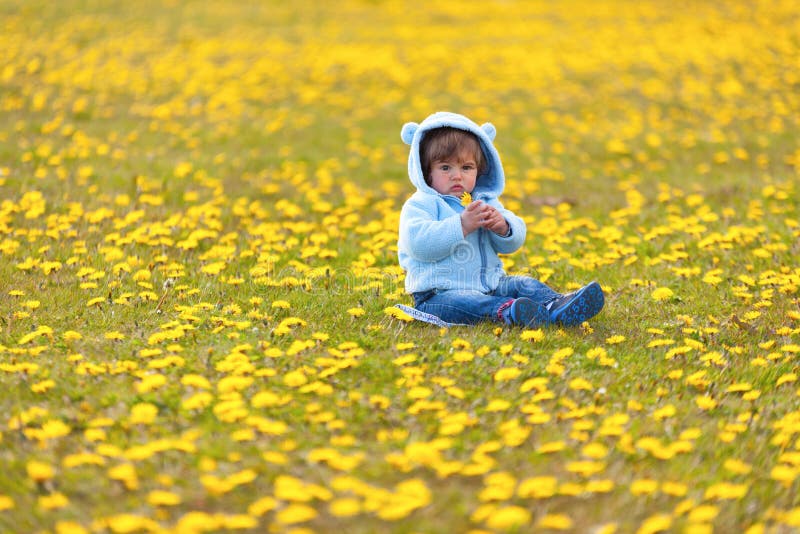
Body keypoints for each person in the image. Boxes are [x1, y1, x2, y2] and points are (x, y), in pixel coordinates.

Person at [397, 111, 604, 327]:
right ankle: (508, 311)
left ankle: (556, 305)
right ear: (426, 170)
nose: (456, 175)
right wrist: (462, 225)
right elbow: (418, 244)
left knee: (524, 283)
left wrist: (504, 228)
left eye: (466, 167)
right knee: (472, 302)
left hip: (490, 284)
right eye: (445, 167)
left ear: (479, 169)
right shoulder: (422, 203)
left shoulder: (484, 201)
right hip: (438, 294)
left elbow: (513, 242)